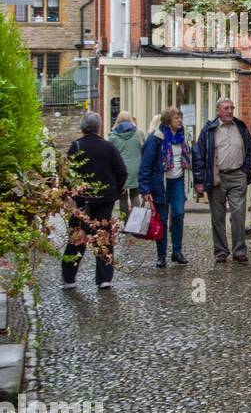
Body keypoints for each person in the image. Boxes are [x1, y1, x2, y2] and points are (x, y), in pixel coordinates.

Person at [62, 111, 127, 290]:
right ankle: (104, 278)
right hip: (105, 198)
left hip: (81, 200)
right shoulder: (108, 147)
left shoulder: (76, 147)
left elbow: (66, 174)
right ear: (98, 127)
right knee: (103, 236)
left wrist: (70, 193)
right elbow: (122, 171)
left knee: (77, 236)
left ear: (83, 127)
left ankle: (69, 278)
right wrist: (115, 190)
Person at [193, 97, 251, 264]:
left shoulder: (240, 127)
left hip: (237, 175)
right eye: (226, 108)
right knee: (218, 217)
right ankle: (221, 251)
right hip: (216, 177)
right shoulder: (209, 130)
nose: (230, 111)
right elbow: (198, 155)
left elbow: (250, 149)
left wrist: (245, 170)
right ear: (218, 111)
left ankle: (239, 251)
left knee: (238, 214)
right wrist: (199, 179)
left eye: (231, 108)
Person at [139, 106, 192, 268]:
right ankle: (161, 255)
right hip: (160, 184)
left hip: (177, 181)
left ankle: (177, 251)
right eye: (177, 118)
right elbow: (145, 165)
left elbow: (189, 156)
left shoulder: (183, 136)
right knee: (161, 220)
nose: (180, 120)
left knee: (178, 214)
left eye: (180, 117)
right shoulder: (156, 138)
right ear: (168, 120)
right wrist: (145, 189)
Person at [109, 112, 144, 220]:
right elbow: (144, 149)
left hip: (120, 170)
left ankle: (126, 221)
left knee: (122, 197)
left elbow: (110, 154)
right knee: (135, 195)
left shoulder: (113, 136)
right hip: (136, 168)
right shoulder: (139, 133)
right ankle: (136, 221)